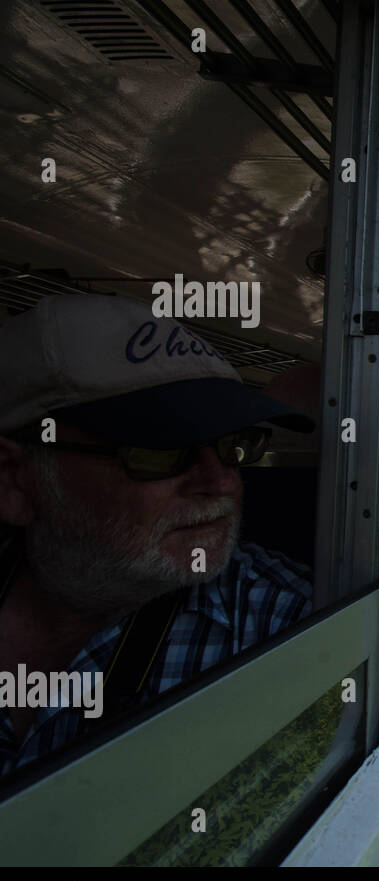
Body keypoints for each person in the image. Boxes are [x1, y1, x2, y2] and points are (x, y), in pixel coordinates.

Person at [0, 294, 316, 778]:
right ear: (15, 479)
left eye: (230, 445)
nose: (223, 483)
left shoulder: (294, 631)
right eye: (160, 448)